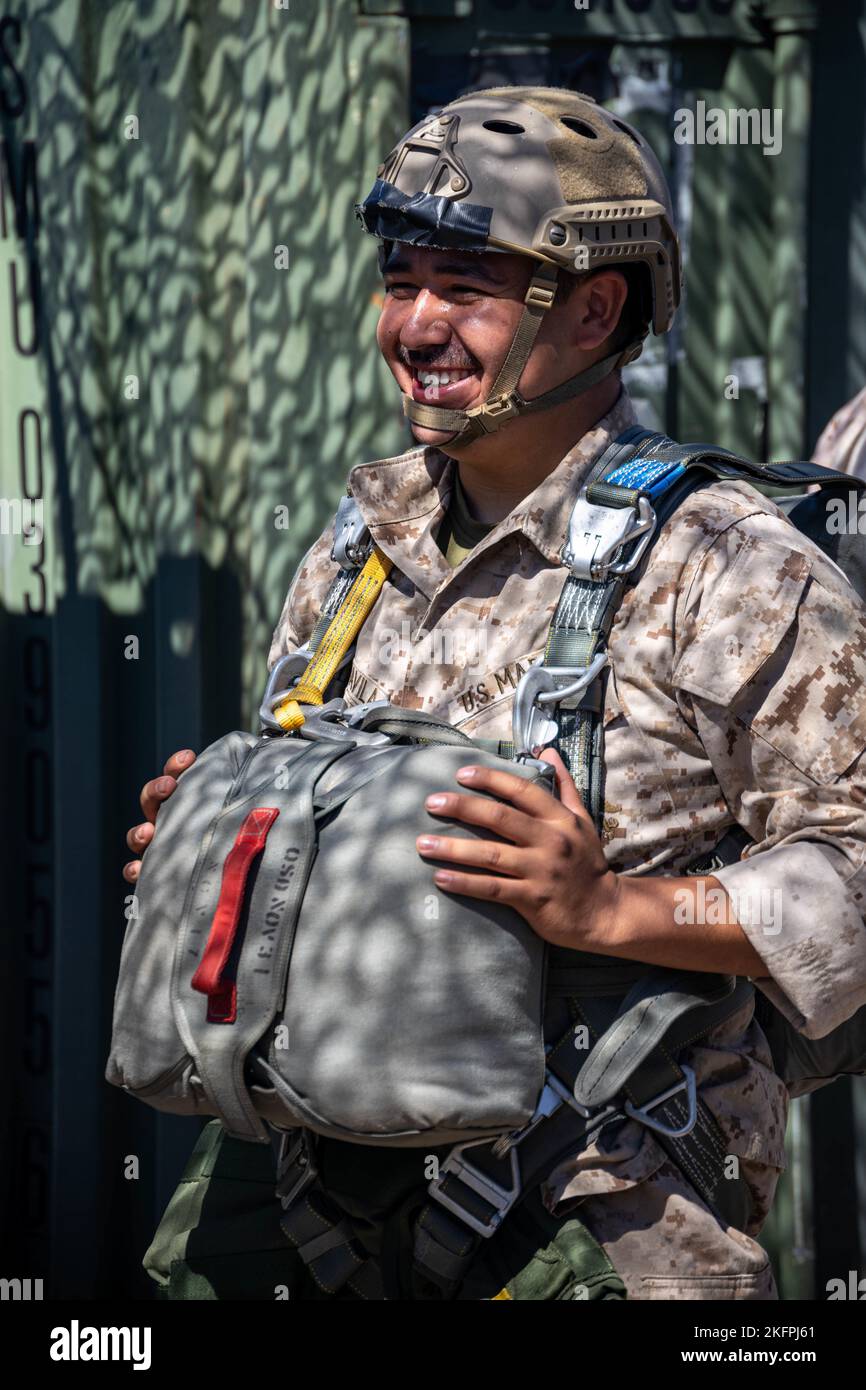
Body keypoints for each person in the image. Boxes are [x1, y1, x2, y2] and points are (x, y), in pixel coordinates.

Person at [123, 87, 866, 1301]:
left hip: (595, 1205)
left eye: (464, 289)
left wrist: (608, 909)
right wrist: (227, 841)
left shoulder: (729, 566)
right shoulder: (355, 549)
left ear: (593, 309)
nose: (414, 324)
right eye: (399, 281)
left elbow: (852, 869)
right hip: (308, 1187)